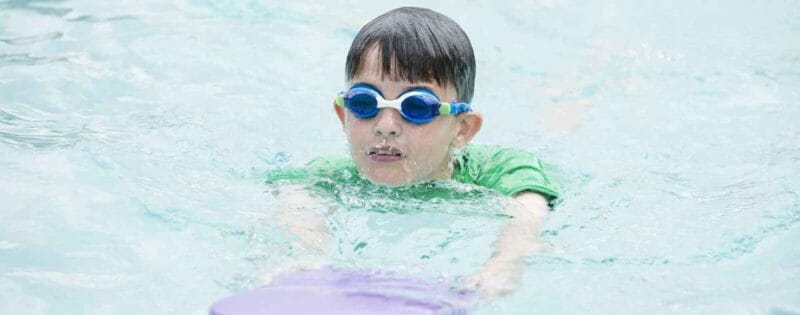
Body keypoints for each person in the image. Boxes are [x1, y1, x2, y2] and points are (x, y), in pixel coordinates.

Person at [266, 7, 561, 298]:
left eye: (416, 107)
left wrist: (504, 263)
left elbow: (527, 215)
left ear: (462, 129)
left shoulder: (500, 170)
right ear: (344, 116)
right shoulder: (329, 175)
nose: (386, 127)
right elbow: (299, 207)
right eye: (364, 103)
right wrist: (303, 257)